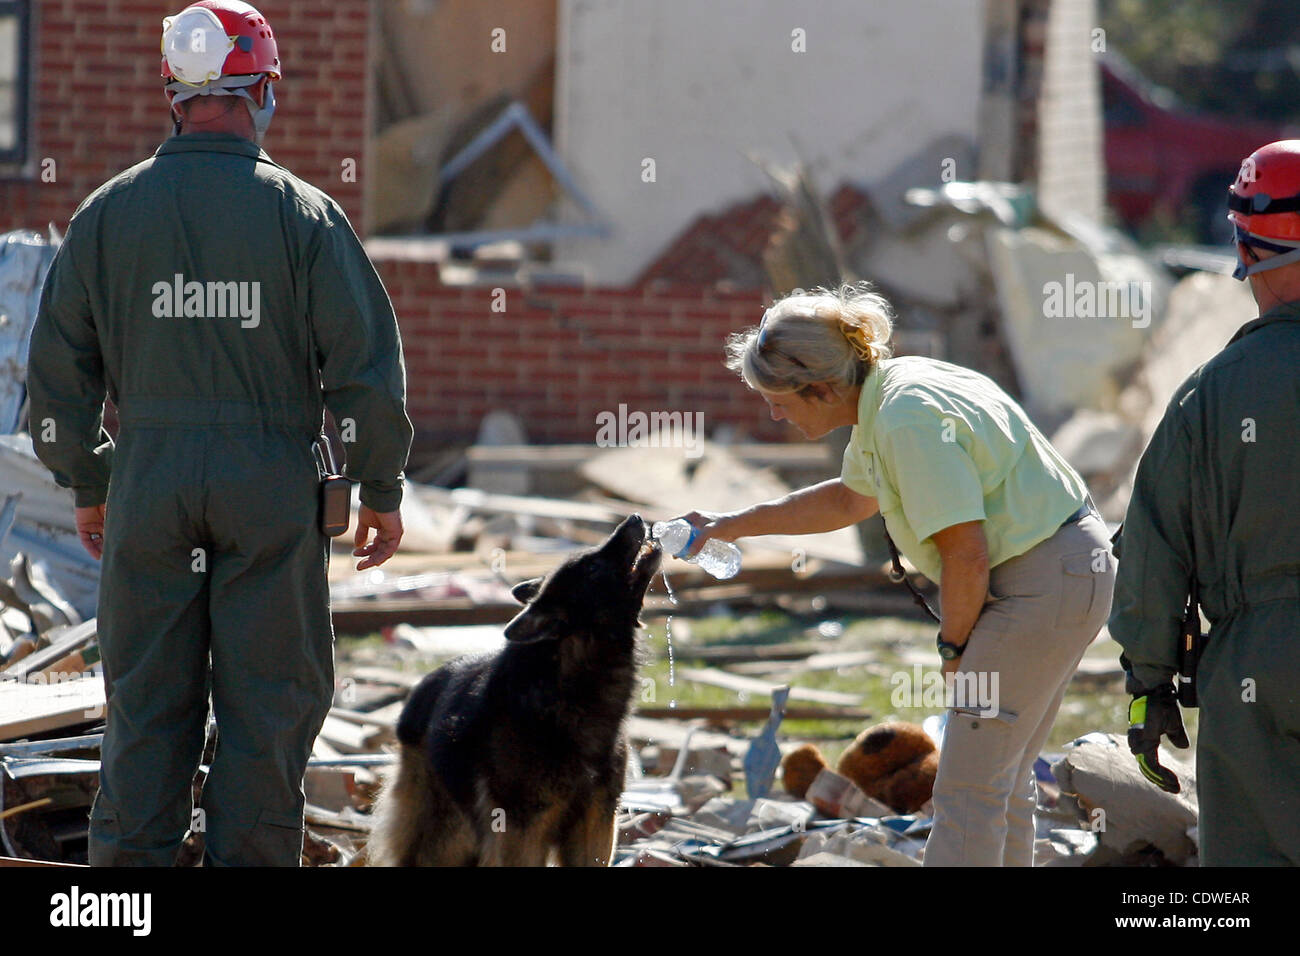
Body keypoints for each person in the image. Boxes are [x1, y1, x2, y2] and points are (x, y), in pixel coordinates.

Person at [25, 0, 413, 866]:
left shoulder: (104, 216)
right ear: (264, 87)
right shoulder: (305, 218)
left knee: (144, 718)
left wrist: (92, 482)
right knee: (266, 718)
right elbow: (365, 375)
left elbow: (55, 381)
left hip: (150, 486)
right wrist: (380, 489)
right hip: (269, 490)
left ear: (173, 90)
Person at [677, 282, 1115, 866]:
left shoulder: (906, 419)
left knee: (964, 791)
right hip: (1061, 571)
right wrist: (734, 524)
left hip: (1041, 581)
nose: (773, 411)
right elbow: (847, 501)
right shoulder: (887, 399)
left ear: (822, 388)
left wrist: (955, 647)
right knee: (999, 781)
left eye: (779, 398)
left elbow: (965, 556)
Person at [1110, 140, 1300, 866]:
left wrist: (1148, 685)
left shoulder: (1210, 394)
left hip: (1256, 664)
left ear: (1245, 248)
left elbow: (1155, 551)